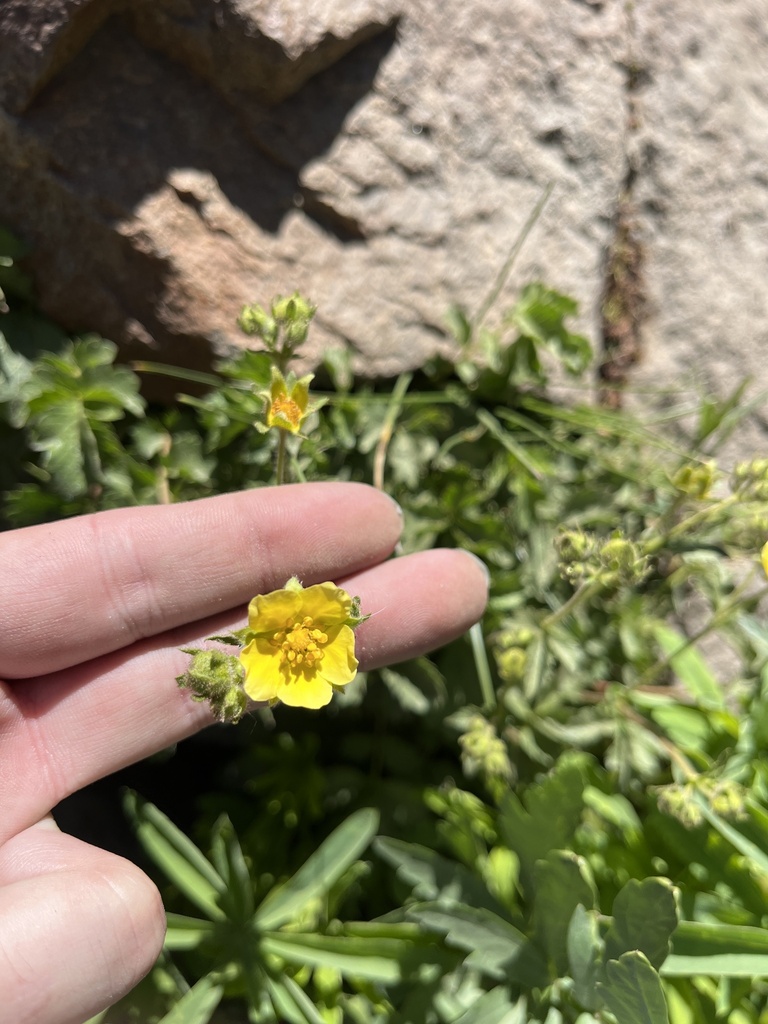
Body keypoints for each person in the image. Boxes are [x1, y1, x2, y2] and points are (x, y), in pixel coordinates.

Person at [0, 481, 489, 1024]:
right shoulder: (268, 640)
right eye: (300, 638)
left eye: (308, 639)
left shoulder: (320, 628)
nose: (303, 645)